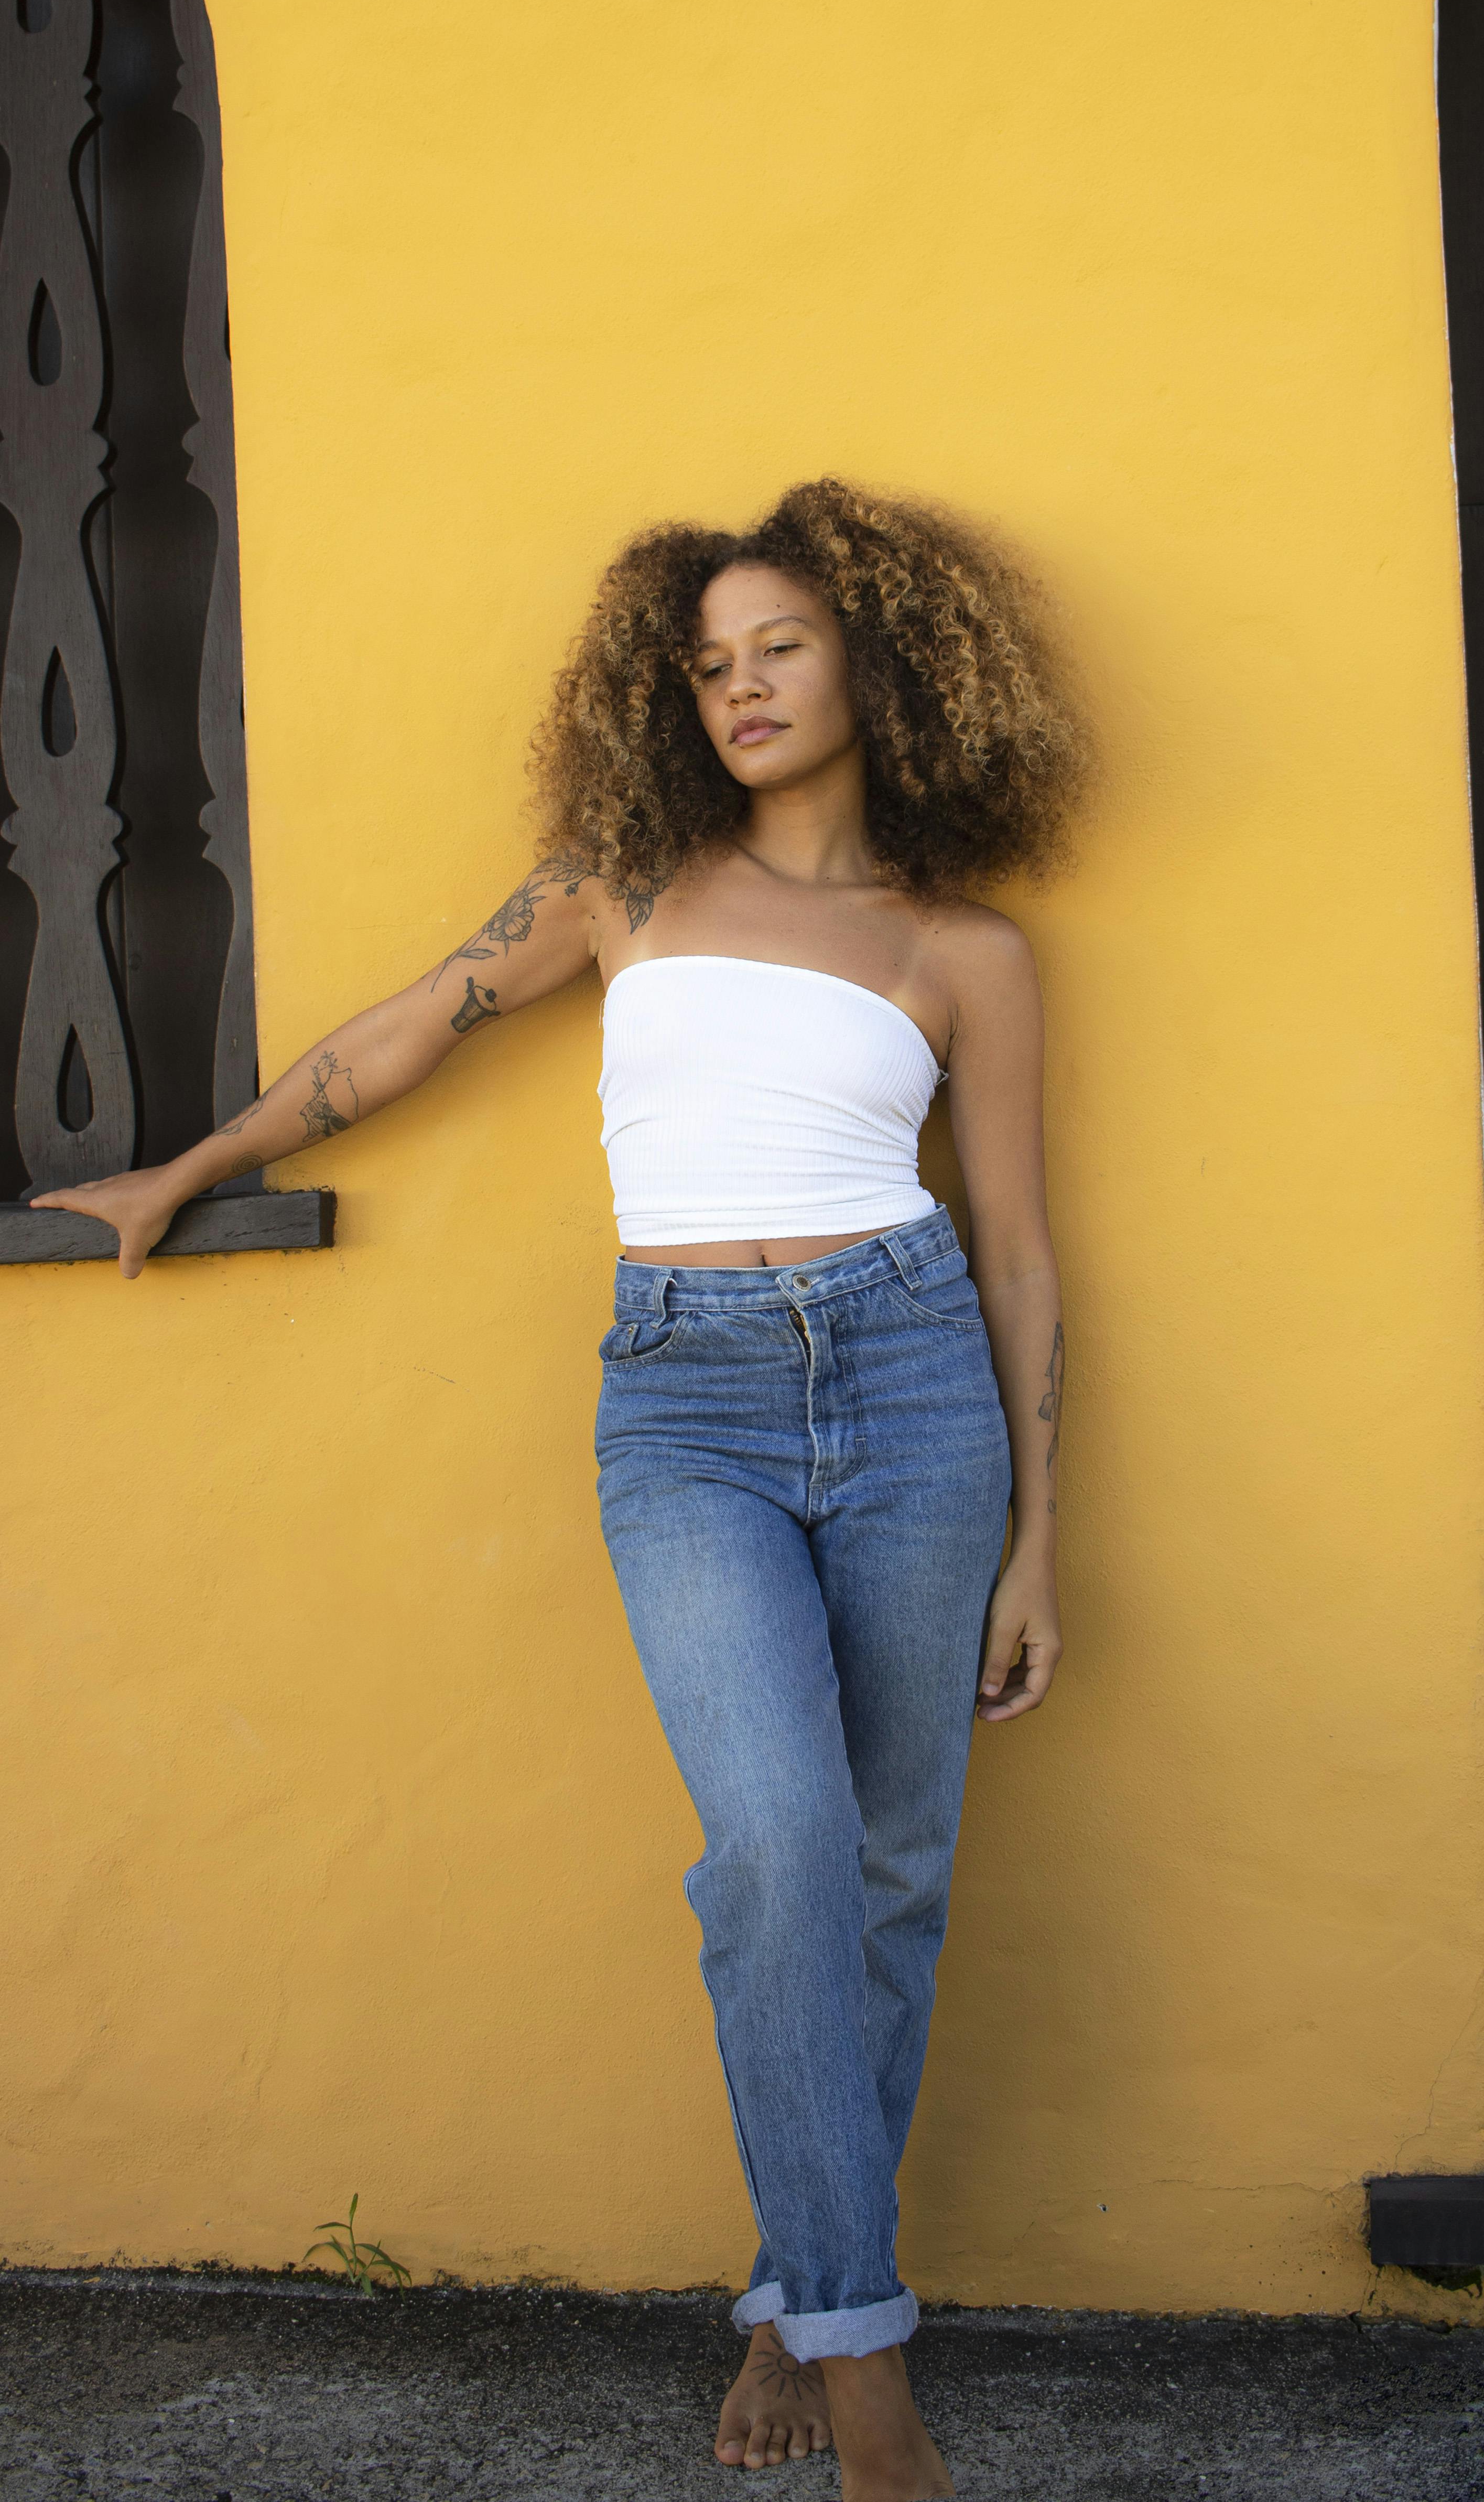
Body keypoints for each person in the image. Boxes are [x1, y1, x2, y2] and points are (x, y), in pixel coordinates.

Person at [36, 476, 1086, 2501]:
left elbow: (1024, 1253)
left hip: (914, 1382)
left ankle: (795, 2298)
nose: (742, 688)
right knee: (778, 1848)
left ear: (880, 662)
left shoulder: (964, 948)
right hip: (687, 1403)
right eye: (708, 664)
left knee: (890, 1875)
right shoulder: (624, 886)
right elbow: (405, 1033)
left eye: (782, 647)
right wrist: (192, 1167)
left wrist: (1045, 1538)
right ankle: (869, 2368)